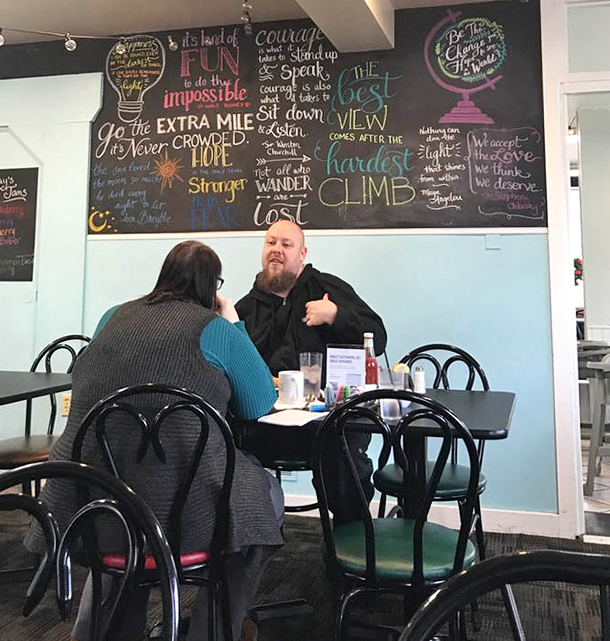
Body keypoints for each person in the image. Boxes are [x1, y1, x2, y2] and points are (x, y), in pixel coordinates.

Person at [25, 240, 282, 641]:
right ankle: (211, 631)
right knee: (261, 501)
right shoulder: (215, 329)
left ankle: (96, 632)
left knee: (123, 508)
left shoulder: (112, 316)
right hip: (186, 518)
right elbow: (259, 402)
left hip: (96, 501)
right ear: (212, 287)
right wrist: (233, 322)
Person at [236, 220, 387, 523]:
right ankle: (249, 534)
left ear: (302, 254)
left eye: (286, 244)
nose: (276, 250)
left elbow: (378, 338)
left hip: (326, 421)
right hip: (264, 422)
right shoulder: (248, 306)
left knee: (342, 454)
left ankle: (351, 539)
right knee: (218, 439)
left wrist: (336, 316)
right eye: (271, 243)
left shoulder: (326, 289)